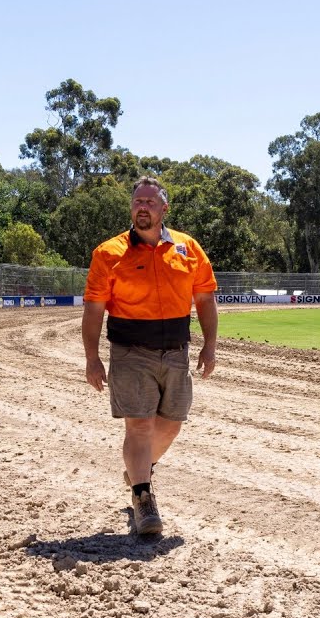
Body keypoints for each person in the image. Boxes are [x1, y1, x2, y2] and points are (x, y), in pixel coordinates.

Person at [82, 176, 218, 536]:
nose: (143, 207)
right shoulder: (108, 253)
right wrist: (91, 358)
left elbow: (205, 299)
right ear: (132, 208)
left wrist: (210, 345)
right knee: (139, 425)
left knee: (171, 423)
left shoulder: (189, 249)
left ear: (164, 209)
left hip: (176, 351)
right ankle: (144, 499)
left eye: (150, 202)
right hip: (130, 352)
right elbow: (95, 309)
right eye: (137, 202)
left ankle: (138, 470)